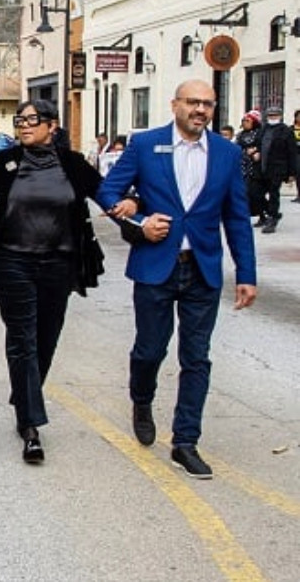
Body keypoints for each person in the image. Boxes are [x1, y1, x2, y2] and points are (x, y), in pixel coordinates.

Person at [98, 79, 256, 479]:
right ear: (175, 105)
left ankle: (185, 442)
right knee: (150, 350)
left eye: (208, 104)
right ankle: (142, 399)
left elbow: (237, 218)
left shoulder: (227, 152)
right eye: (193, 102)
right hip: (155, 265)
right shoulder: (145, 144)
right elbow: (107, 191)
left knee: (197, 357)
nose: (200, 110)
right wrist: (139, 220)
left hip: (202, 269)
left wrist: (246, 273)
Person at [0, 100, 104, 464]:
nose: (24, 125)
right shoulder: (5, 163)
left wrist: (135, 209)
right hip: (12, 261)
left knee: (46, 337)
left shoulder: (73, 164)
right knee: (22, 338)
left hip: (59, 263)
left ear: (52, 125)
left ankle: (24, 394)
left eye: (32, 119)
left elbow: (107, 193)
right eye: (20, 120)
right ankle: (30, 426)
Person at [256, 105, 296, 233]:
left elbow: (292, 152)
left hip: (277, 168)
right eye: (270, 115)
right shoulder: (263, 129)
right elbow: (258, 144)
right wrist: (255, 152)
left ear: (280, 116)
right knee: (255, 193)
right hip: (262, 166)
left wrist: (292, 173)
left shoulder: (286, 131)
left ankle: (272, 218)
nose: (272, 118)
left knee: (274, 193)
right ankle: (267, 214)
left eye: (275, 115)